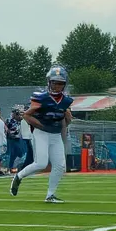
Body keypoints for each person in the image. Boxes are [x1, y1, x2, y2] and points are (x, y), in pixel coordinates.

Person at [10, 66, 73, 203]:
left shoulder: (66, 100)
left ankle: (50, 195)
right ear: (49, 82)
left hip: (55, 134)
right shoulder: (40, 97)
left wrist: (67, 118)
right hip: (41, 133)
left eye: (60, 83)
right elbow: (27, 115)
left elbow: (66, 120)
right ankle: (19, 176)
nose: (57, 86)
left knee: (60, 165)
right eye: (55, 82)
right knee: (41, 163)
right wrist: (40, 125)